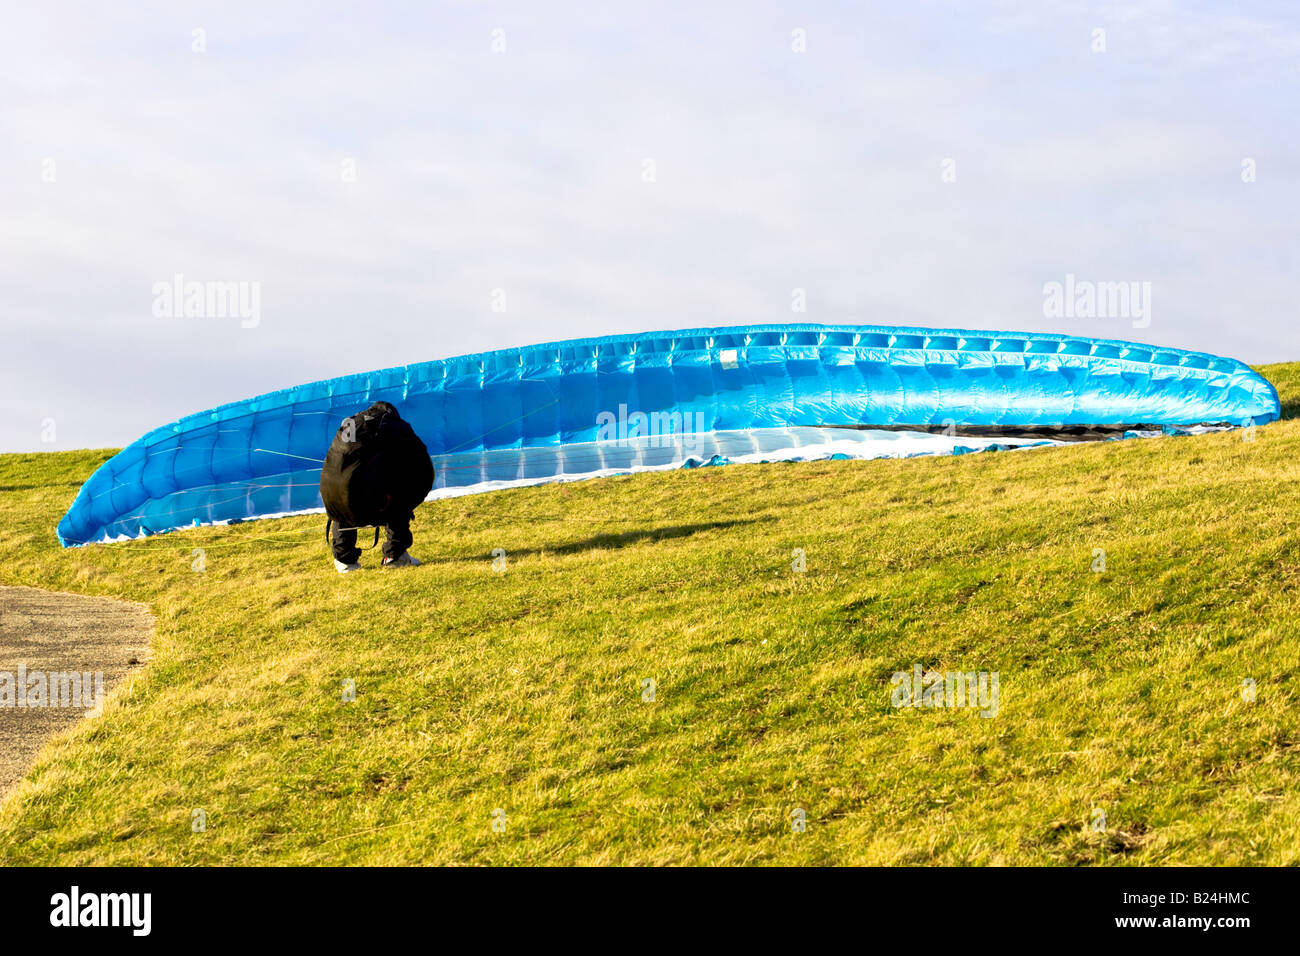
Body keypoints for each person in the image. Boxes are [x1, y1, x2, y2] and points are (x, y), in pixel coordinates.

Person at [318, 401, 434, 572]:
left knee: (343, 506)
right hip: (360, 492)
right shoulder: (390, 424)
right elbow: (420, 460)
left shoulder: (352, 423)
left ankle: (344, 560)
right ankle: (395, 555)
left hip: (331, 491)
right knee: (399, 495)